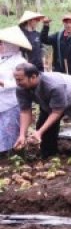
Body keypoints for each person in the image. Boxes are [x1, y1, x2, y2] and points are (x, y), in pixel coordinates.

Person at [13, 63, 71, 158]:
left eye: (20, 80)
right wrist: (22, 135)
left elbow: (57, 112)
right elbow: (25, 111)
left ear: (33, 77)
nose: (17, 83)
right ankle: (49, 154)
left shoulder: (54, 85)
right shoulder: (21, 88)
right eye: (16, 79)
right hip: (51, 103)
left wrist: (39, 132)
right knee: (42, 127)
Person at [0, 27, 31, 155]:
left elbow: (22, 83)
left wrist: (3, 83)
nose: (1, 45)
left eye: (2, 43)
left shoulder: (20, 62)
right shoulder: (2, 59)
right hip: (1, 100)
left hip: (12, 101)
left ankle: (14, 153)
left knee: (10, 129)